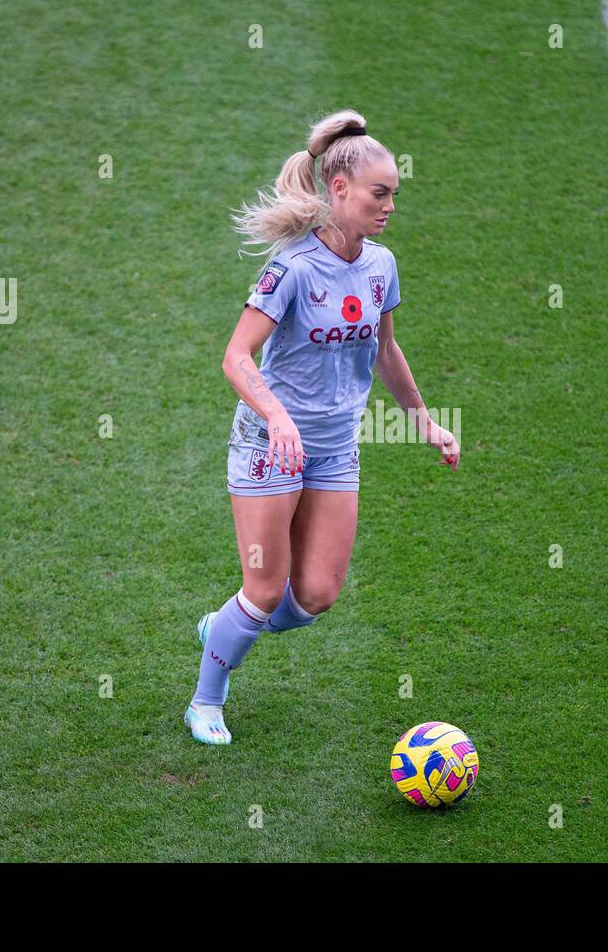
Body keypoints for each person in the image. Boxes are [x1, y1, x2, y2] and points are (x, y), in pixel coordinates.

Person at [184, 109, 460, 745]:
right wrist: (277, 418)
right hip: (269, 447)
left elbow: (386, 350)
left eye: (393, 193)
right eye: (379, 193)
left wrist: (427, 422)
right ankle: (206, 699)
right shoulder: (292, 268)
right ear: (339, 190)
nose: (390, 205)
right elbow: (236, 356)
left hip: (335, 451)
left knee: (314, 595)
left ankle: (225, 627)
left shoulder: (381, 265)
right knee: (264, 588)